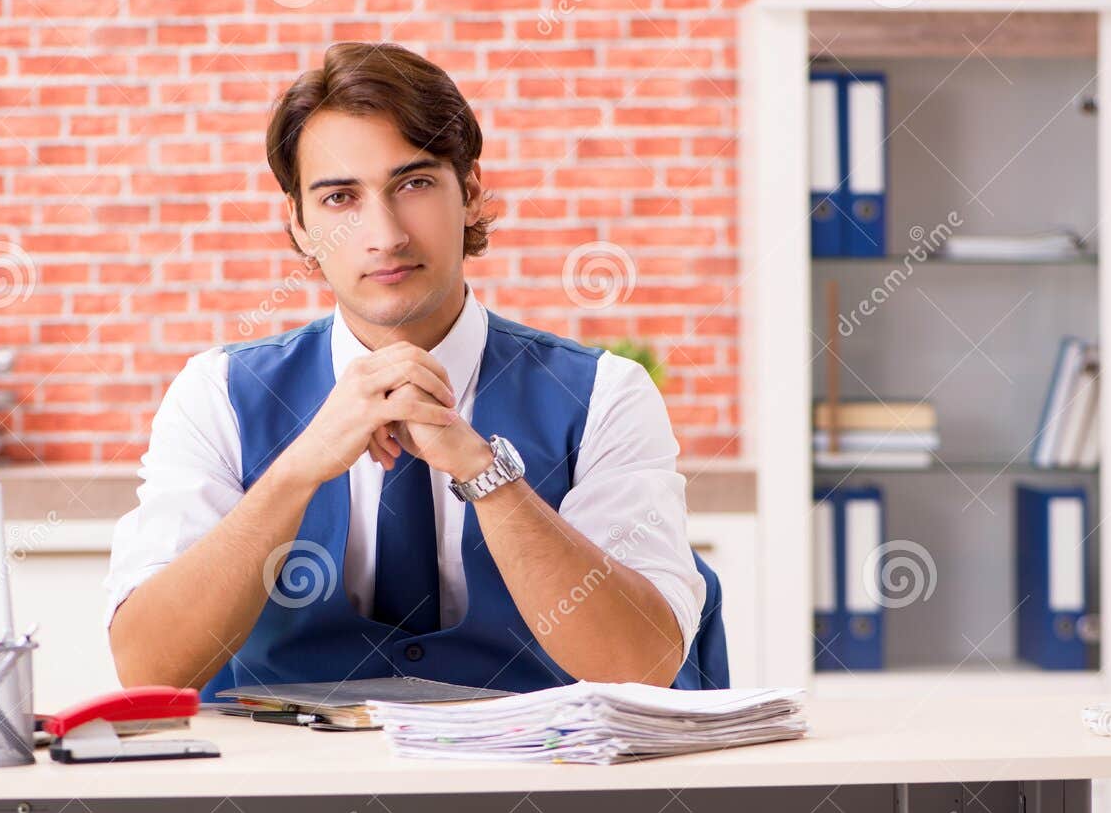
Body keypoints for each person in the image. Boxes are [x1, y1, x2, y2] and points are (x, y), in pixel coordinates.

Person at [105, 41, 727, 701]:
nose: (386, 233)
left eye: (414, 183)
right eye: (341, 198)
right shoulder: (219, 396)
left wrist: (486, 475)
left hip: (537, 787)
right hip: (285, 788)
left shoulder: (604, 395)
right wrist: (300, 466)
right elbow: (149, 669)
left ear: (472, 193)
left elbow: (641, 666)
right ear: (300, 226)